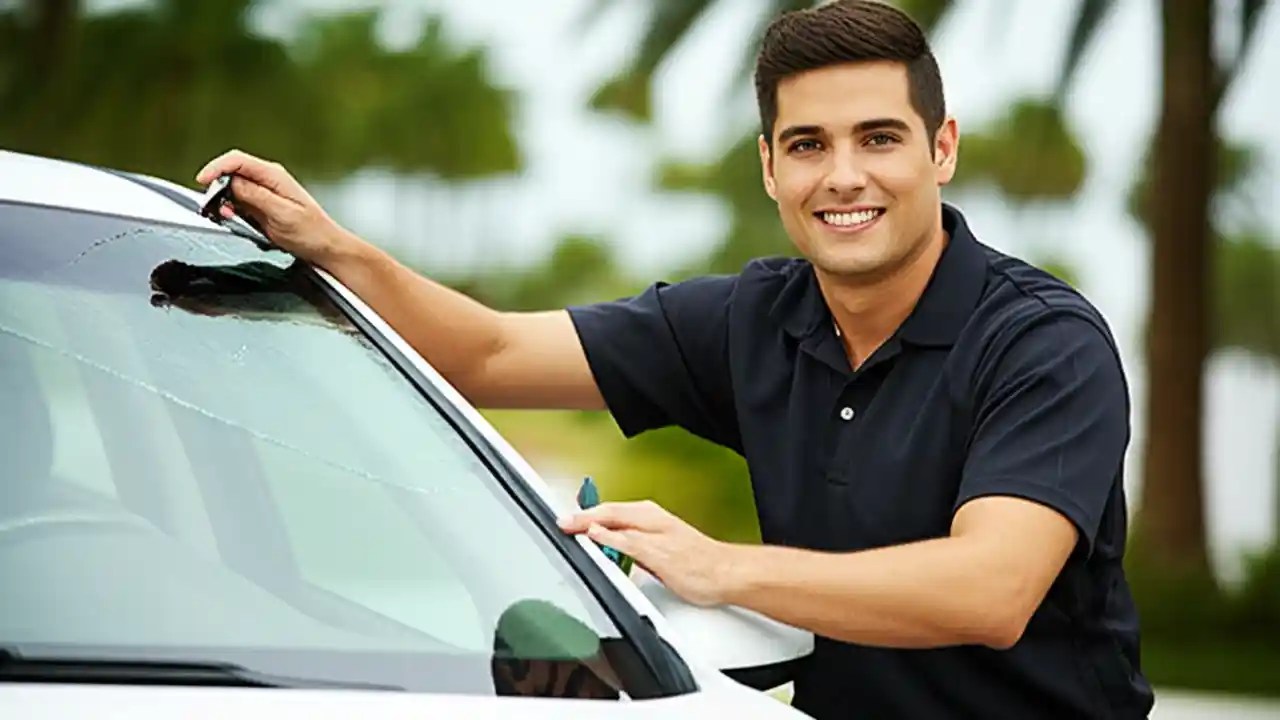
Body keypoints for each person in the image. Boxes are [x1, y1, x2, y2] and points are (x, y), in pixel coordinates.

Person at [195, 1, 1154, 717]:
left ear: (941, 150)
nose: (845, 175)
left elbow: (990, 589)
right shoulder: (752, 317)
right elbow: (488, 354)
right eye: (809, 144)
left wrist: (718, 569)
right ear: (771, 167)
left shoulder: (1043, 342)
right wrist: (332, 246)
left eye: (880, 138)